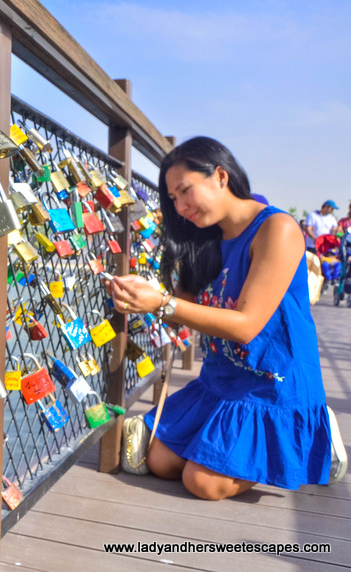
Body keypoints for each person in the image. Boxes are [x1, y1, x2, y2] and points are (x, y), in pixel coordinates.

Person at [108, 136, 340, 500]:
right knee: (161, 461)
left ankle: (312, 441)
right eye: (172, 200)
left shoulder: (276, 229)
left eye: (186, 191)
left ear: (220, 175)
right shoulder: (203, 238)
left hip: (270, 385)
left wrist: (161, 302)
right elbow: (177, 315)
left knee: (201, 482)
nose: (181, 207)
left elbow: (247, 326)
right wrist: (138, 294)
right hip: (220, 380)